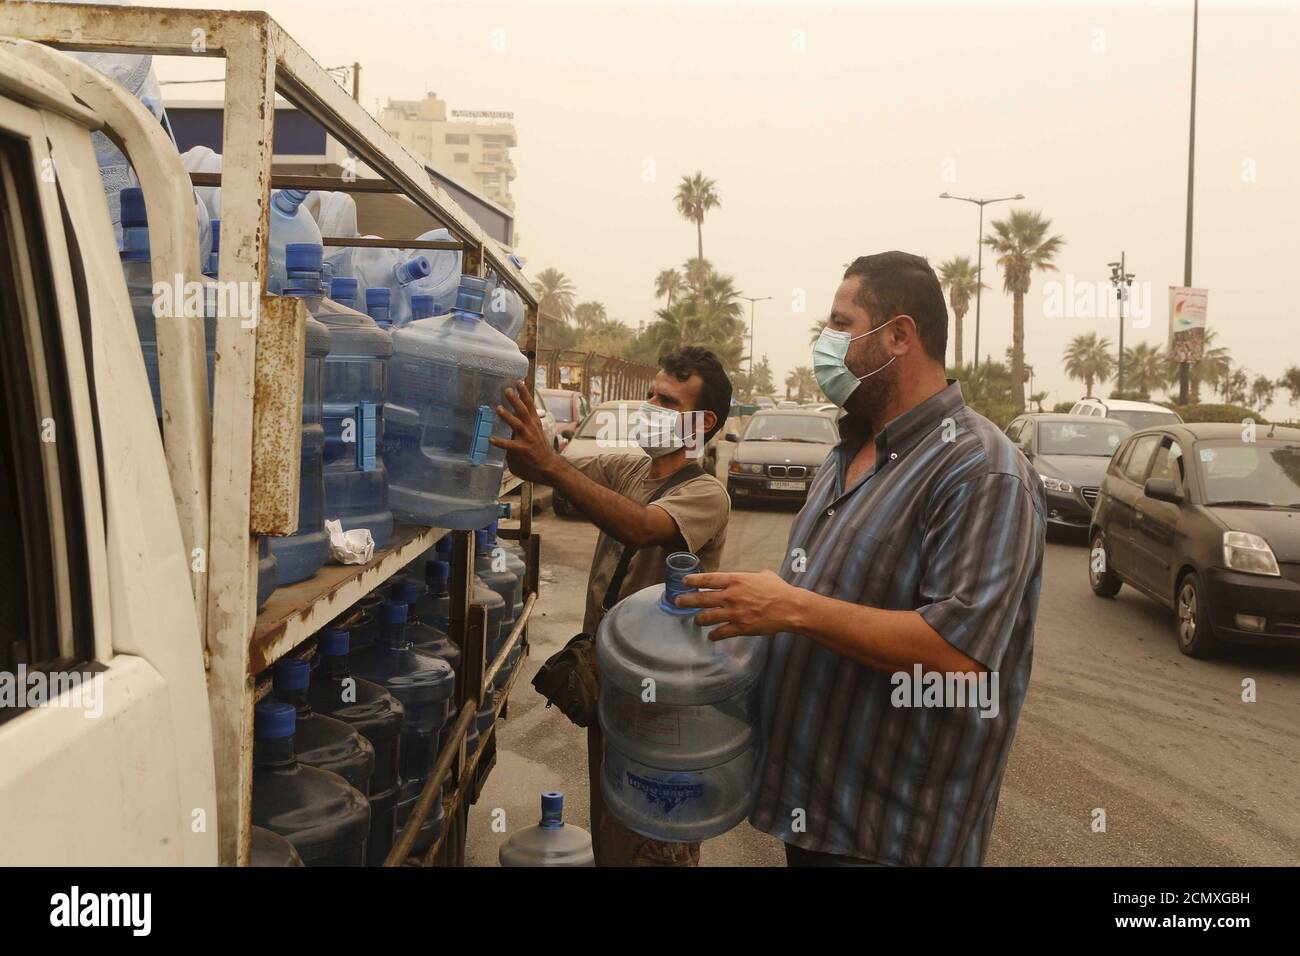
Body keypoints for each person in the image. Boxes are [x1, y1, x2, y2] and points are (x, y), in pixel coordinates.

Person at [676, 251, 1046, 866]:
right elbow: (823, 599)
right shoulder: (847, 451)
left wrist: (792, 608)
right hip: (817, 814)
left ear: (900, 335)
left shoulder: (980, 470)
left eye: (842, 326)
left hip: (894, 835)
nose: (827, 344)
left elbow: (959, 658)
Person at [489, 346, 733, 866]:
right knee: (611, 828)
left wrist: (551, 463)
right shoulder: (629, 469)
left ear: (703, 421)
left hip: (663, 711)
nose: (649, 406)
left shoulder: (706, 493)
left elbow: (639, 527)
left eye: (666, 400)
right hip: (614, 689)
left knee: (652, 837)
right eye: (651, 393)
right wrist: (507, 406)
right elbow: (535, 465)